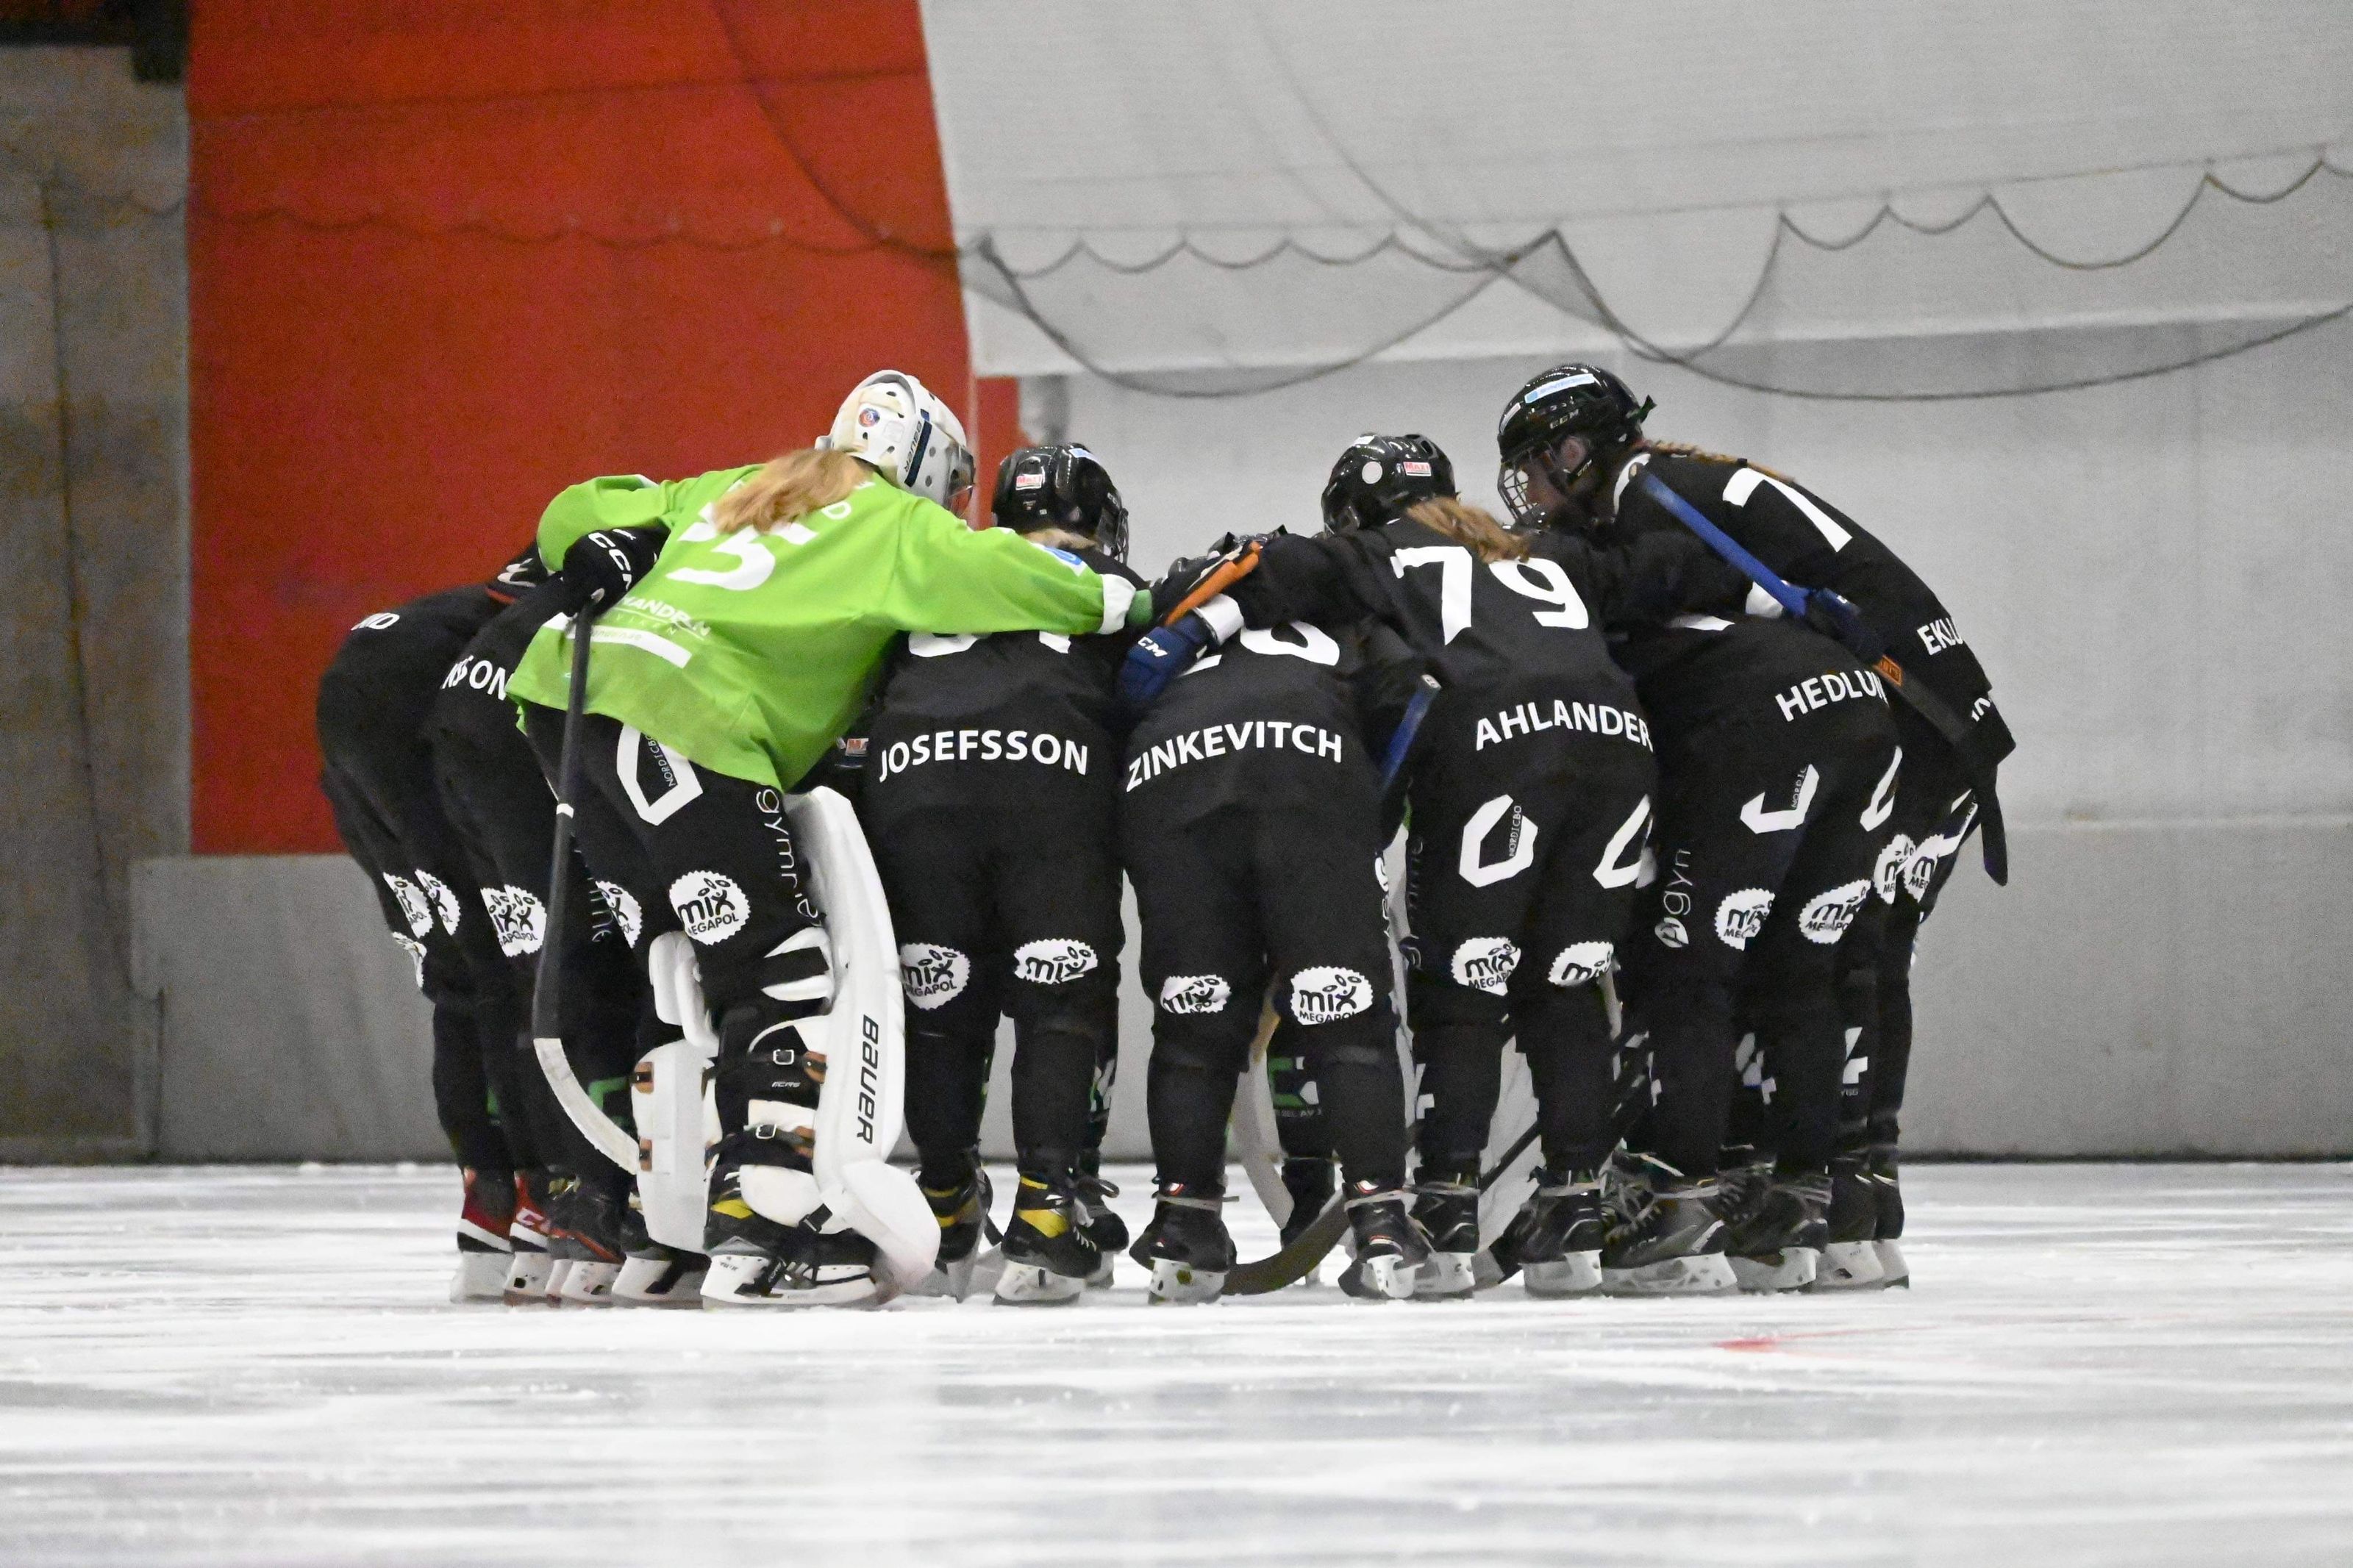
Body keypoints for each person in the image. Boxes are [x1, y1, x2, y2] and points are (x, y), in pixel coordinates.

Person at [503, 370, 1155, 1309]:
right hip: (692, 720)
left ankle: (665, 1224)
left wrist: (616, 536)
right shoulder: (900, 526)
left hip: (572, 701)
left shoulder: (733, 483)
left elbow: (576, 508)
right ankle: (766, 1231)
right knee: (780, 975)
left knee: (679, 966)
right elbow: (1052, 586)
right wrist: (1155, 602)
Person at [1140, 434, 1748, 1299]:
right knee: (1566, 982)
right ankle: (1572, 1216)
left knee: (1464, 985)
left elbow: (1268, 569)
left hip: (1496, 742)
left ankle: (1449, 1215)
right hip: (1620, 743)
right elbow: (1684, 568)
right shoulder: (1537, 550)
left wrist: (1189, 614)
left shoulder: (1377, 552)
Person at [1494, 361, 2005, 1292]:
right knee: (1824, 962)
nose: (1529, 492)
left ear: (1575, 450)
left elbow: (1641, 603)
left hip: (1904, 721)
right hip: (1911, 725)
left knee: (1757, 960)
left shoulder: (1645, 500)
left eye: (1534, 468)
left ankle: (1717, 1189)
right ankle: (1841, 1202)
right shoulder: (1678, 484)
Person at [857, 444, 1142, 1304]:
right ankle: (1051, 1209)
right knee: (1060, 1005)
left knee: (939, 1009)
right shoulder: (1100, 579)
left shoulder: (939, 571)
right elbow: (1155, 690)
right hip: (1044, 776)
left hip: (914, 782)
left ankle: (944, 1205)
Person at [1119, 554, 1431, 1302]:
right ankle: (1380, 1220)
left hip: (1170, 770)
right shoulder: (1347, 620)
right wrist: (1365, 825)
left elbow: (1110, 704)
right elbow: (1410, 700)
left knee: (1194, 1019)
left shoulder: (1172, 621)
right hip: (1307, 764)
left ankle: (1181, 1222)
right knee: (1344, 1013)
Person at [316, 548, 574, 1303]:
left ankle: (490, 1198)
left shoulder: (481, 599)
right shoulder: (554, 600)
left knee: (456, 976)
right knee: (504, 965)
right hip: (401, 705)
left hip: (353, 701)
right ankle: (533, 1189)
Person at [426, 562, 683, 1306]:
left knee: (517, 974)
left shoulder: (576, 560)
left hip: (462, 719)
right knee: (640, 957)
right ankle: (615, 1202)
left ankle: (558, 1198)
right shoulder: (680, 557)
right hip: (541, 710)